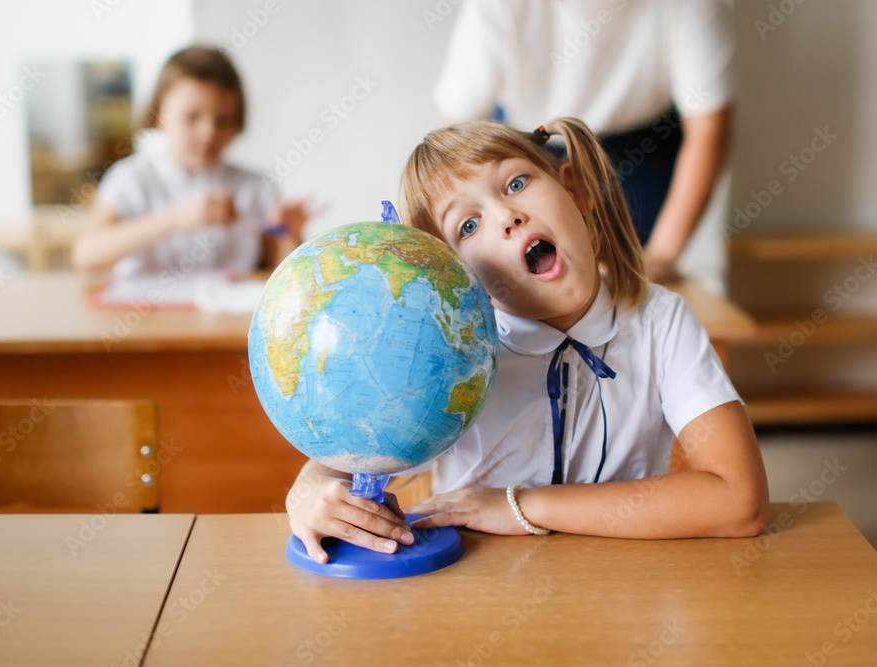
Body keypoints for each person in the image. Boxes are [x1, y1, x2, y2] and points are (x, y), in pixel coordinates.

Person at [285, 119, 768, 564]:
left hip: (625, 594)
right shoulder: (447, 348)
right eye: (468, 225)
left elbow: (739, 501)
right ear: (452, 270)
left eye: (516, 183)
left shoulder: (661, 321)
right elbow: (344, 460)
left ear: (574, 190)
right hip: (483, 600)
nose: (507, 216)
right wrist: (308, 491)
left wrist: (521, 507)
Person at [433, 0, 734, 285]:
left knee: (629, 295)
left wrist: (662, 255)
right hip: (528, 145)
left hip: (643, 153)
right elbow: (458, 134)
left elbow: (708, 130)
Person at [72, 46, 306, 276]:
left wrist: (290, 233)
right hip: (149, 313)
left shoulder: (256, 187)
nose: (209, 133)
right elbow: (86, 255)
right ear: (159, 114)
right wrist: (175, 218)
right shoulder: (131, 178)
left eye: (223, 120)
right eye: (191, 117)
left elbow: (285, 275)